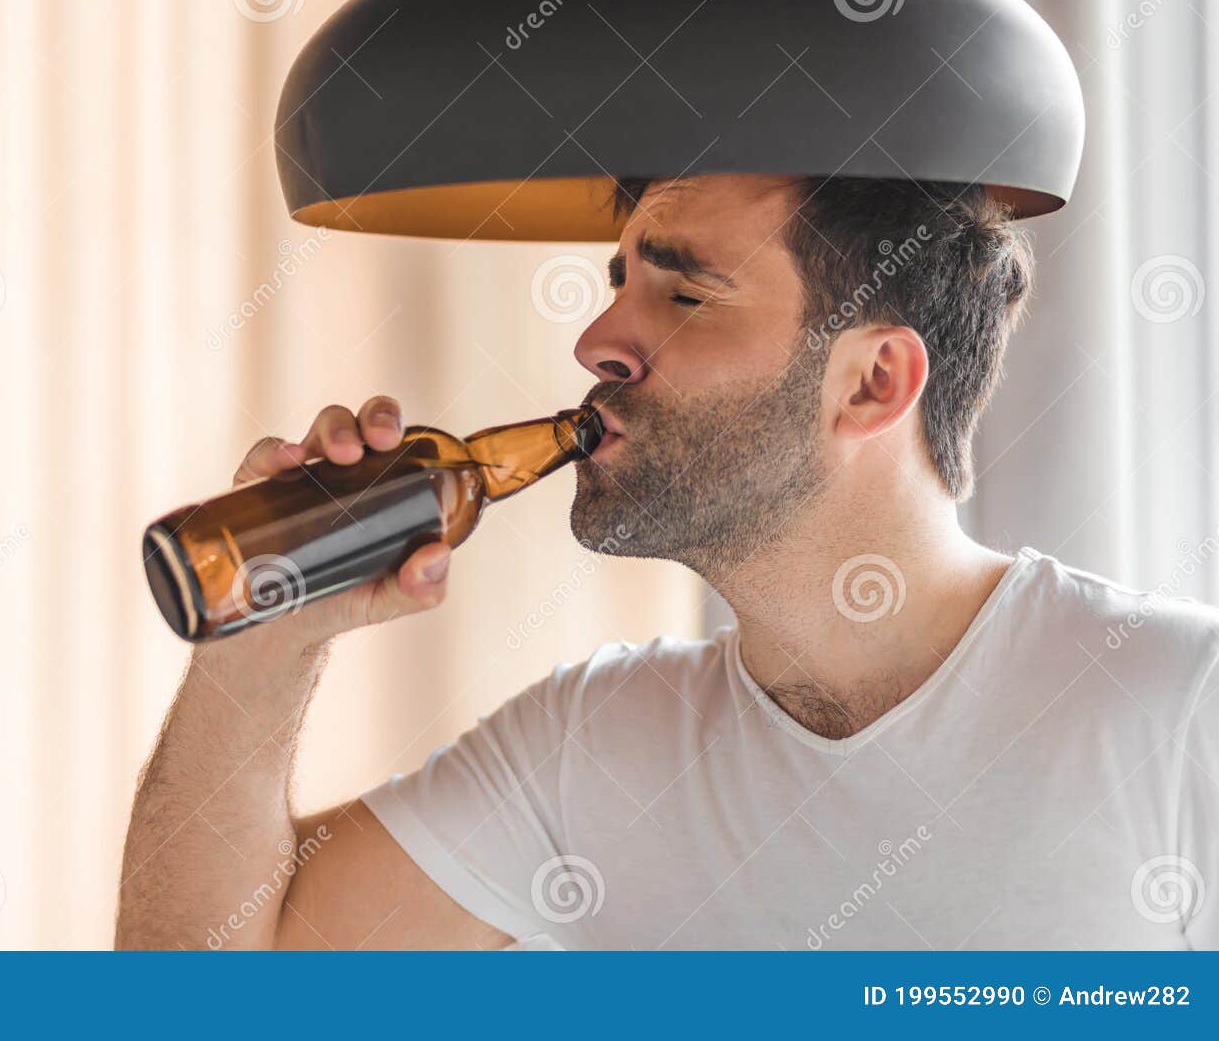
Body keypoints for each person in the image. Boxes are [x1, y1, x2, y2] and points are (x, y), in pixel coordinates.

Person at [115, 174, 1218, 950]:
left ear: (872, 382)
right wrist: (265, 639)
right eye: (619, 282)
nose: (596, 339)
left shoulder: (1177, 707)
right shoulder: (593, 749)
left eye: (684, 294)